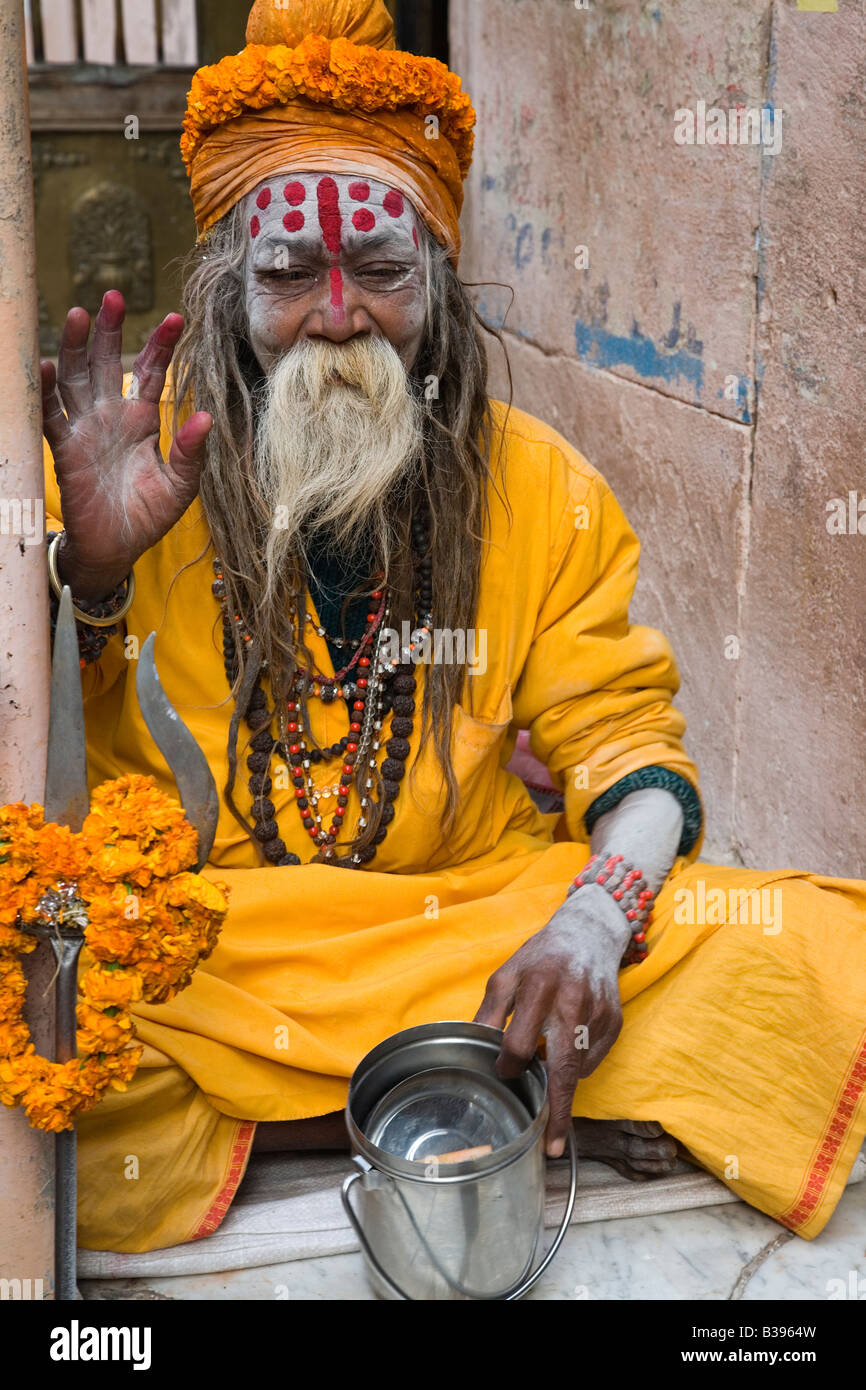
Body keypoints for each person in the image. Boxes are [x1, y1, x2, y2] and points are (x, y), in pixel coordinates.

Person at [40, 0, 865, 1254]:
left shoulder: (541, 483)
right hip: (209, 947)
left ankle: (423, 1078)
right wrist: (90, 577)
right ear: (223, 285)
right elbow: (37, 760)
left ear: (436, 278)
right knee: (43, 1024)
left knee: (787, 952)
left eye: (379, 271)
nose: (336, 315)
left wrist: (588, 924)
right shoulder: (131, 474)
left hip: (467, 927)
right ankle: (434, 1106)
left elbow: (633, 751)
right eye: (286, 276)